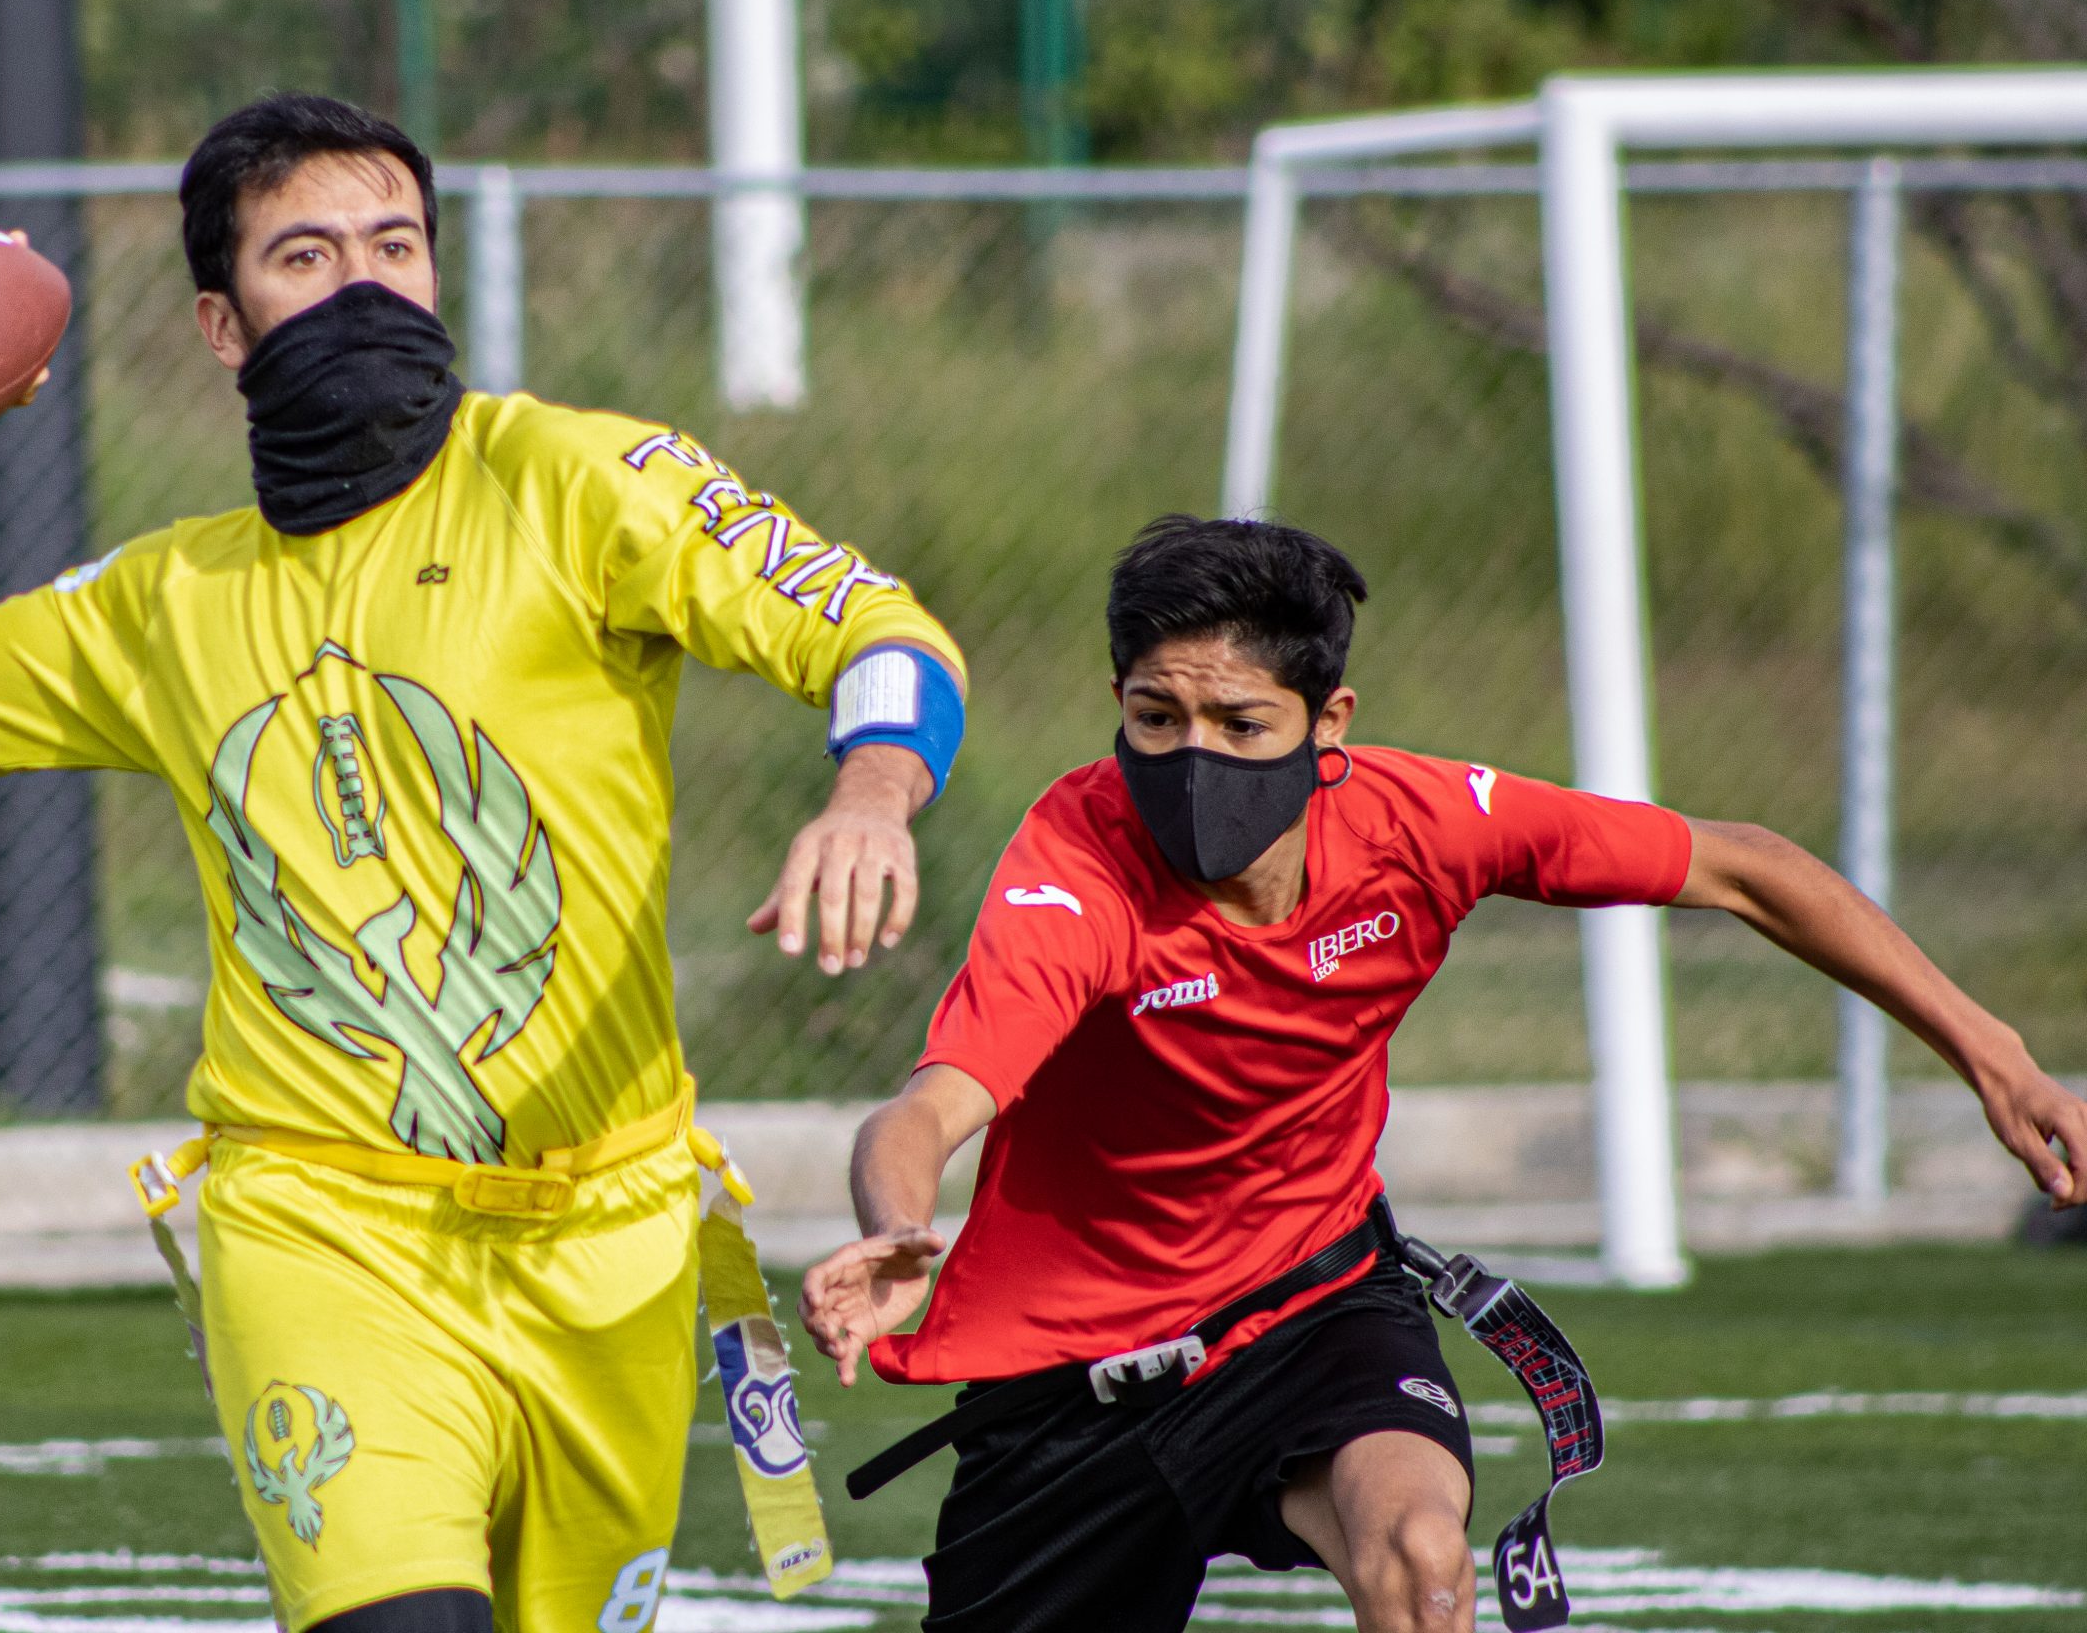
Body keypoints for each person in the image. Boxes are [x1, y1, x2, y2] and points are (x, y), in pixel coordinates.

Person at [0, 93, 967, 1633]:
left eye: (393, 244)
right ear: (225, 325)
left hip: (611, 1245)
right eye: (304, 255)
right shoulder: (172, 595)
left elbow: (880, 629)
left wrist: (873, 795)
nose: (360, 285)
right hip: (323, 1228)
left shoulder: (579, 480)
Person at [798, 514, 2086, 1633]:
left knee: (1421, 1563)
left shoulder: (1421, 825)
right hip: (1071, 1386)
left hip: (1309, 1309)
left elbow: (1744, 865)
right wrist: (900, 1227)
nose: (1193, 756)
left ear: (1328, 724)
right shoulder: (1074, 864)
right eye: (1154, 716)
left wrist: (1997, 1056)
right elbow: (934, 1103)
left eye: (1242, 724)